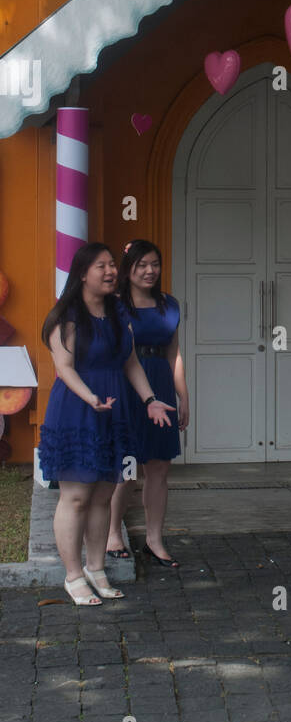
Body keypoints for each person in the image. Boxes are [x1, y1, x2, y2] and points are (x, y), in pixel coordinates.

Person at [38, 243, 175, 606]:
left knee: (102, 494)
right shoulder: (66, 316)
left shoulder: (118, 312)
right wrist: (90, 398)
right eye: (103, 266)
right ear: (83, 273)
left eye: (113, 264)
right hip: (76, 410)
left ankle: (96, 569)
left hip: (114, 410)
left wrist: (149, 399)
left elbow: (130, 362)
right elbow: (64, 369)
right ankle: (72, 575)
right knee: (77, 495)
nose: (112, 270)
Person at [107, 240, 188, 569]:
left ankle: (154, 540)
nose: (149, 270)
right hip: (126, 386)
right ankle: (113, 533)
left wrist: (183, 396)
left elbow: (174, 353)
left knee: (159, 467)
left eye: (155, 263)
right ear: (128, 268)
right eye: (141, 264)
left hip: (161, 386)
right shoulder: (114, 305)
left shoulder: (169, 304)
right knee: (126, 467)